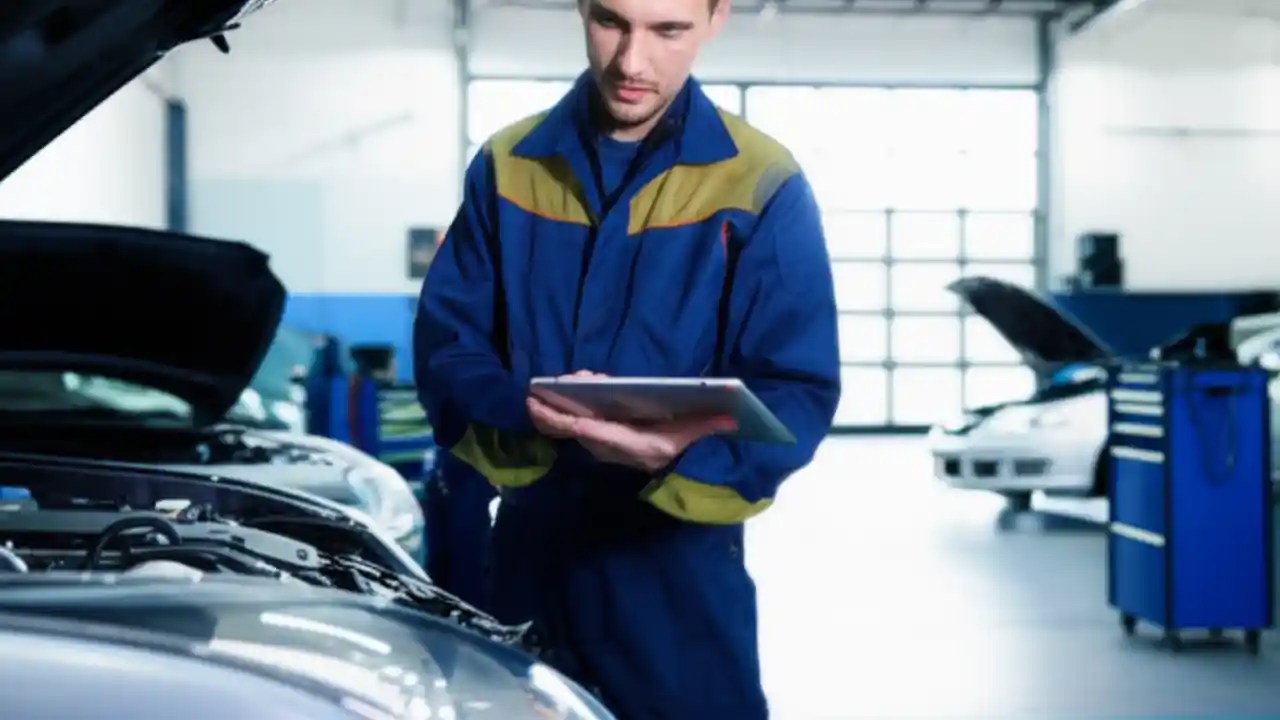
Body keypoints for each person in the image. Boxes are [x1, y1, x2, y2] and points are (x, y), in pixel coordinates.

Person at [413, 0, 840, 716]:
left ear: (715, 18)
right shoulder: (508, 165)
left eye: (668, 30)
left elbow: (796, 388)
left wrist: (677, 454)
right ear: (583, 7)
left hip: (678, 571)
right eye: (612, 21)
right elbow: (447, 348)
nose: (631, 62)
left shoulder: (762, 182)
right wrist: (527, 408)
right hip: (525, 558)